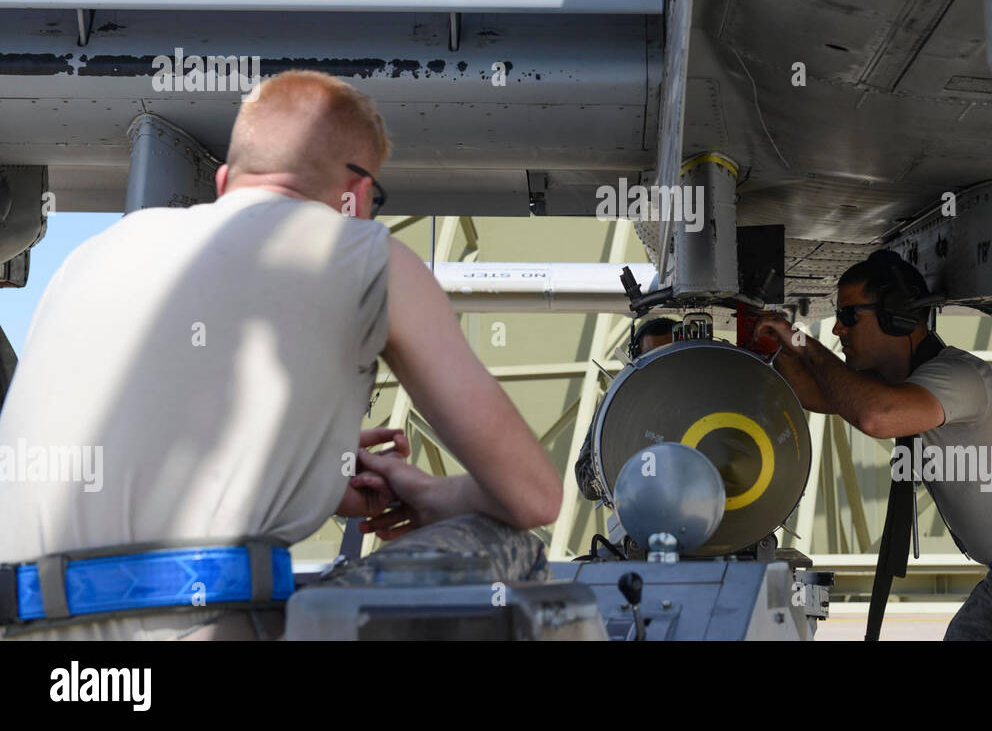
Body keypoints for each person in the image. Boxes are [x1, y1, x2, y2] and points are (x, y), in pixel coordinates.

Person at [0, 70, 561, 639]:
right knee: (510, 547)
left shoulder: (90, 257)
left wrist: (315, 470)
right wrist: (434, 492)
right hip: (196, 634)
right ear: (360, 196)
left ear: (224, 182)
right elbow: (533, 495)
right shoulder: (363, 254)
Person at [754, 250, 992, 640]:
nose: (838, 330)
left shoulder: (957, 377)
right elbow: (816, 394)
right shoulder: (906, 389)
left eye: (849, 317)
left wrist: (801, 342)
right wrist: (775, 349)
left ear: (896, 316)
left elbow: (875, 417)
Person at [571, 316, 678, 503]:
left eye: (671, 357)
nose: (663, 368)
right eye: (653, 359)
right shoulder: (618, 408)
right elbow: (587, 484)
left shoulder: (715, 401)